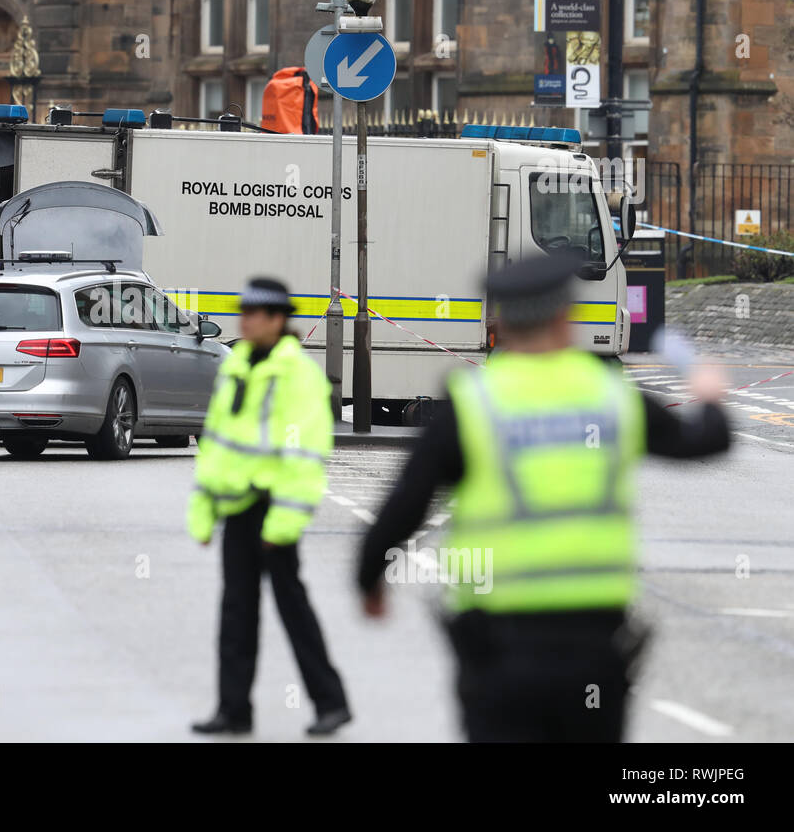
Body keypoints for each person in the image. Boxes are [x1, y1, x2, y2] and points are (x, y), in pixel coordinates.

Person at [356, 253, 731, 742]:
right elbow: (705, 442)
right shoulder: (612, 398)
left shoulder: (473, 403)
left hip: (498, 649)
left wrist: (370, 581)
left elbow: (405, 506)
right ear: (564, 317)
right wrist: (708, 393)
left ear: (501, 324)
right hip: (595, 648)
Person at [188, 277, 352, 737]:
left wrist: (282, 522)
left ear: (277, 320)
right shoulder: (238, 365)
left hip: (274, 510)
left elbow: (306, 455)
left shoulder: (297, 374)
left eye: (254, 313)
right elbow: (216, 444)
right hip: (239, 508)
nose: (245, 320)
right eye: (243, 311)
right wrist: (203, 513)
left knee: (292, 609)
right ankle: (233, 709)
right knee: (237, 611)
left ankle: (330, 703)